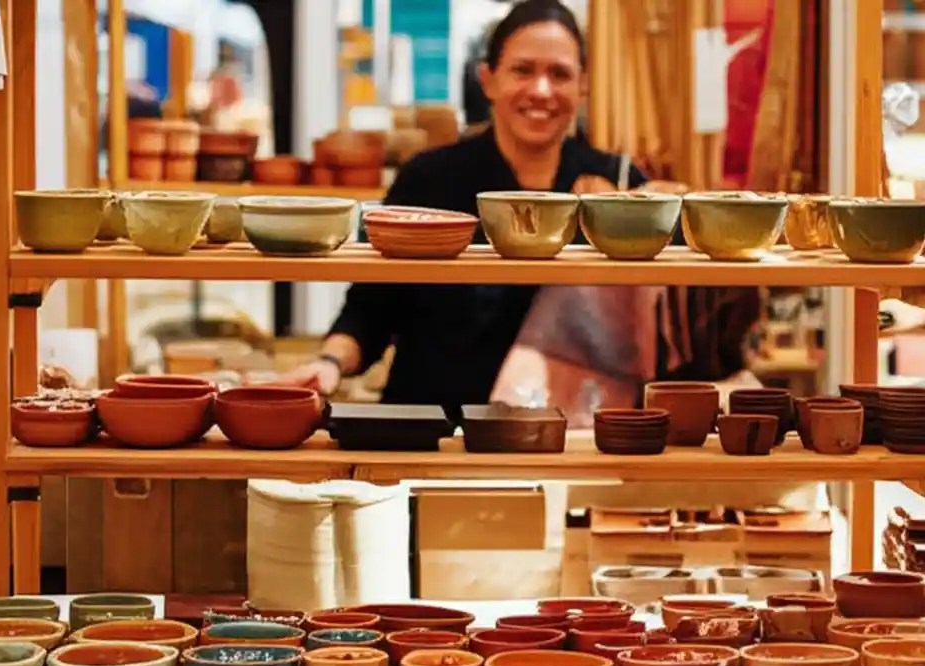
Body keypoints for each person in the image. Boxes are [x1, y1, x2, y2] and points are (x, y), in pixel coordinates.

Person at [278, 0, 653, 409]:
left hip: (568, 442)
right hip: (429, 432)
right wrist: (330, 362)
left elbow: (656, 328)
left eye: (559, 74)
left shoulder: (618, 186)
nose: (541, 90)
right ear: (488, 80)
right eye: (522, 70)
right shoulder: (430, 177)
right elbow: (371, 305)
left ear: (583, 85)